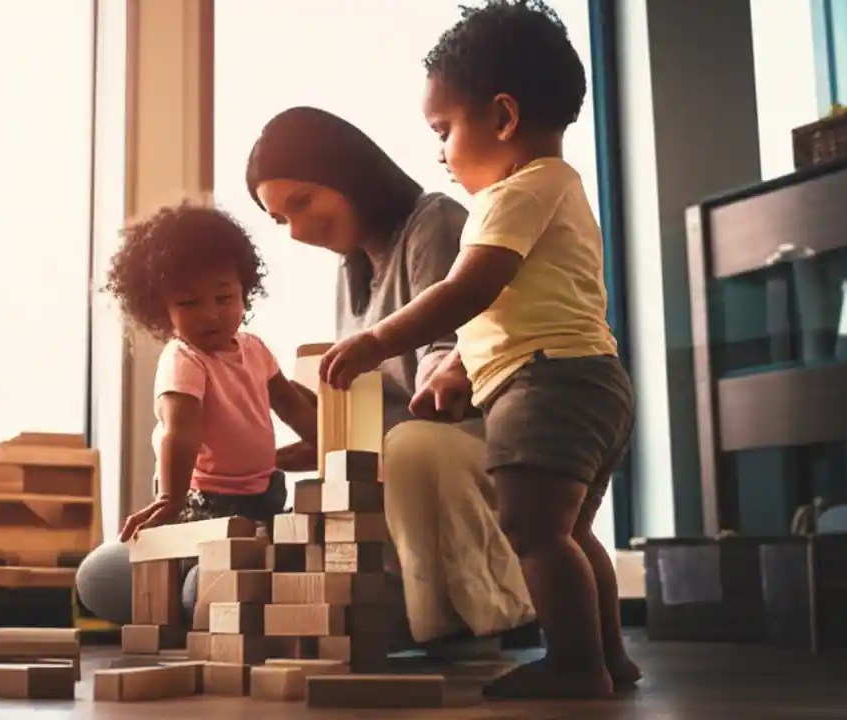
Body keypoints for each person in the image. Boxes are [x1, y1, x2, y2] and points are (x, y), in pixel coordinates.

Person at [319, 0, 637, 699]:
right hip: (589, 380)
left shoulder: (515, 193)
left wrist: (378, 338)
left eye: (444, 129)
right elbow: (518, 302)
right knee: (571, 532)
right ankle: (609, 658)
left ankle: (577, 667)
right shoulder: (558, 187)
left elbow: (470, 289)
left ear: (502, 118)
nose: (438, 151)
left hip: (547, 382)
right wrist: (458, 363)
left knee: (534, 531)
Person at [246, 106, 535, 654]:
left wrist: (376, 437)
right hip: (399, 472)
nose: (298, 231)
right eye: (281, 219)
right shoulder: (349, 267)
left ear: (347, 173)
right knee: (293, 554)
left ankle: (485, 622)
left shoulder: (436, 223)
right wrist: (333, 447)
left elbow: (451, 371)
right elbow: (379, 399)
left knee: (412, 447)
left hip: (468, 450)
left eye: (302, 202)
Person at [74, 202, 316, 620]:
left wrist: (332, 447)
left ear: (244, 289)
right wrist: (170, 498)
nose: (211, 314)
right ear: (159, 311)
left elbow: (293, 405)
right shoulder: (185, 358)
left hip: (263, 497)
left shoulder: (255, 349)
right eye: (188, 303)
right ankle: (199, 597)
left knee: (251, 563)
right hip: (203, 503)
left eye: (224, 297)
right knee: (132, 581)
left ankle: (228, 592)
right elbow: (179, 431)